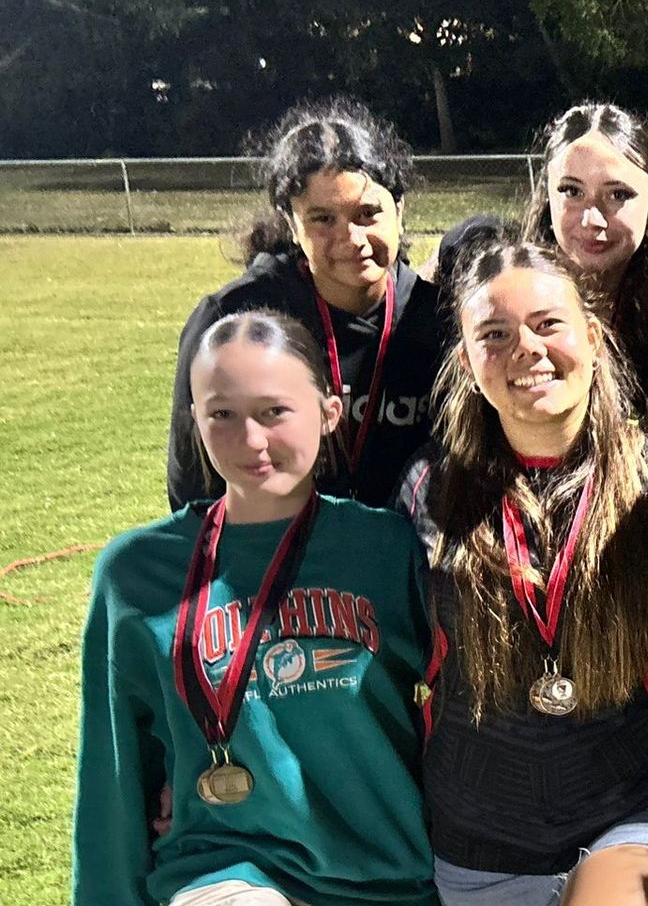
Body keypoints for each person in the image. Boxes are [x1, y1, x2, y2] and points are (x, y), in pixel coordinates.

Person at [76, 309, 435, 906]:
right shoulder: (136, 575)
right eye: (223, 414)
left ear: (328, 412)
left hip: (387, 876)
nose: (251, 441)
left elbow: (468, 712)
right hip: (227, 871)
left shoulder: (386, 549)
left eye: (274, 411)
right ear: (194, 420)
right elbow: (111, 771)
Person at [396, 242, 648, 906]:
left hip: (640, 813)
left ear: (593, 337)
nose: (527, 349)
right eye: (495, 334)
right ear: (465, 361)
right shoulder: (426, 491)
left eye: (548, 324)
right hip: (478, 838)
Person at [167, 98, 448, 509]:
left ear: (399, 209)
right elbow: (191, 486)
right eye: (322, 219)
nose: (351, 238)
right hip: (280, 560)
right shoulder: (234, 319)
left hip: (402, 558)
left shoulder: (439, 319)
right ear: (290, 222)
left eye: (368, 213)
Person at [518, 102, 648, 415]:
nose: (592, 219)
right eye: (572, 191)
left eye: (618, 195)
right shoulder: (506, 290)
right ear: (547, 198)